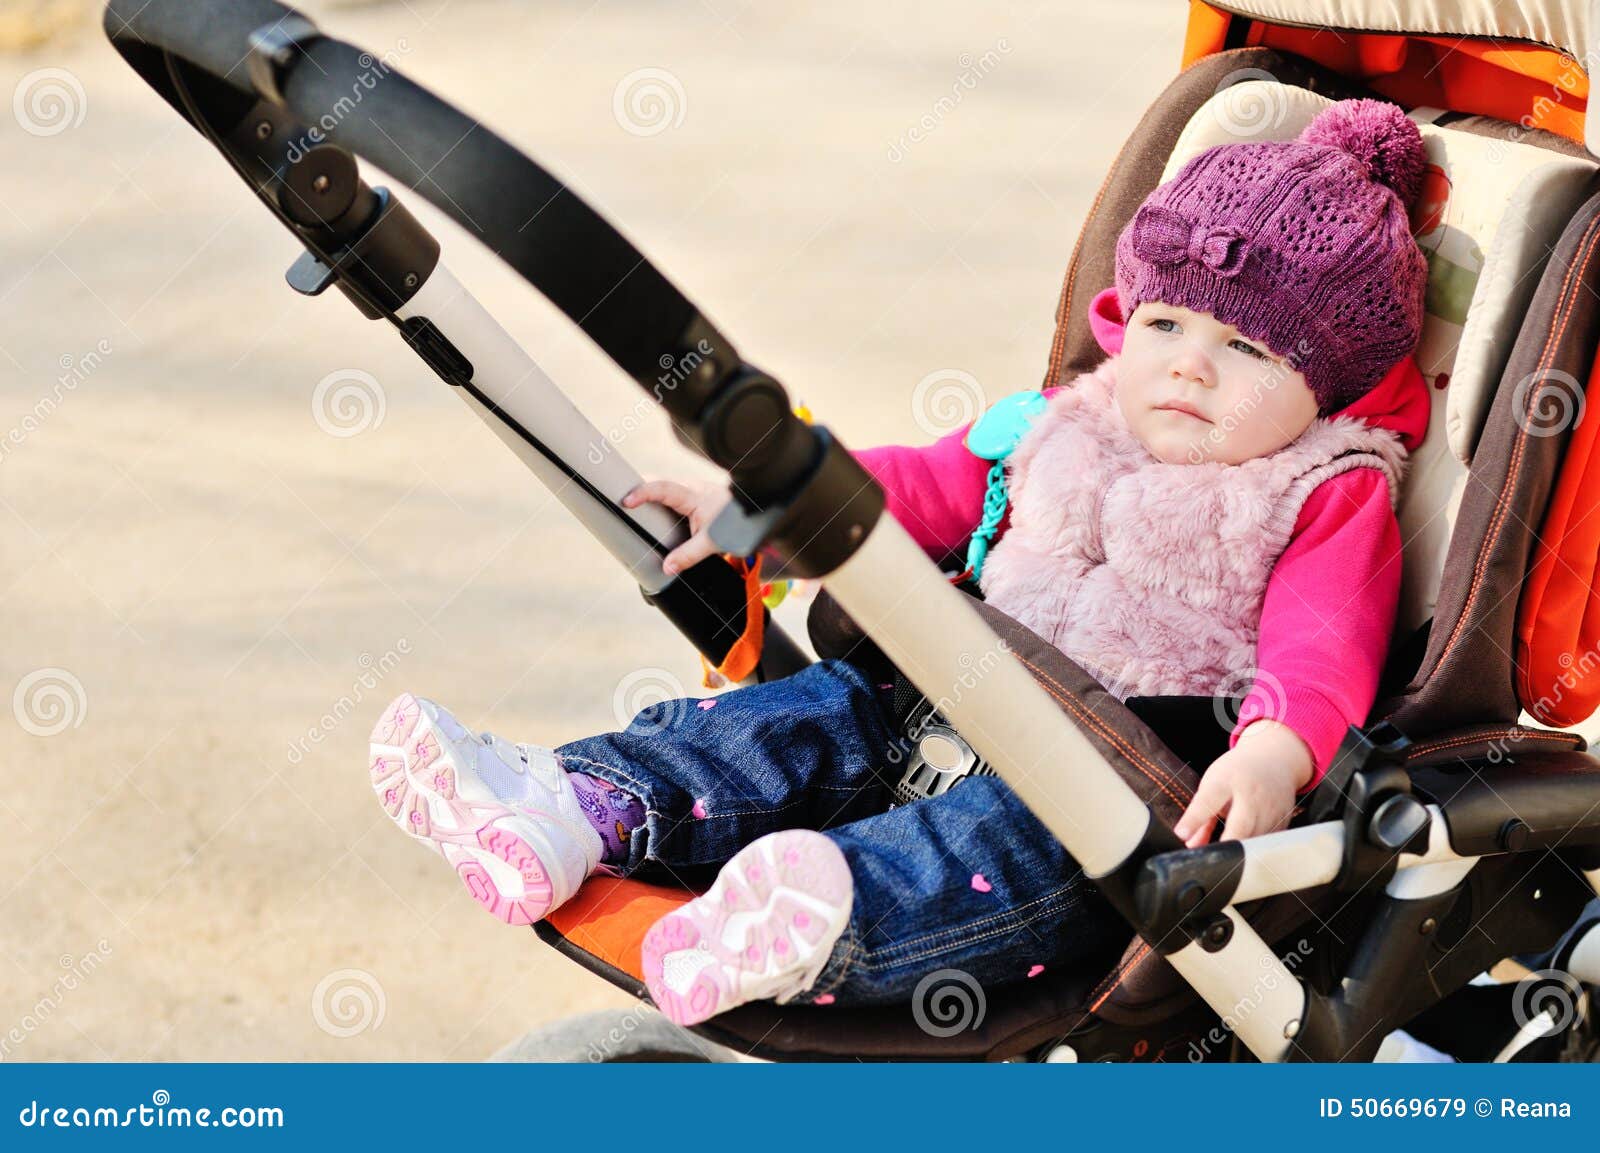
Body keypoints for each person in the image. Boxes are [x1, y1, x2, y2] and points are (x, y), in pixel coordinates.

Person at [366, 99, 1432, 1026]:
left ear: (1324, 382)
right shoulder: (1064, 418)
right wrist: (768, 512)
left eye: (1245, 348)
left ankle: (809, 919)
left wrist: (1273, 755)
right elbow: (912, 490)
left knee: (982, 856)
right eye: (1165, 321)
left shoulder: (1320, 490)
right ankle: (571, 806)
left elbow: (1321, 644)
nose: (1189, 365)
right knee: (792, 719)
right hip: (931, 701)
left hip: (1102, 796)